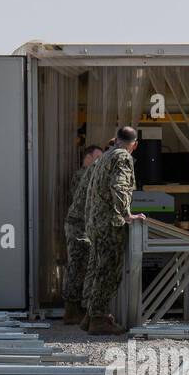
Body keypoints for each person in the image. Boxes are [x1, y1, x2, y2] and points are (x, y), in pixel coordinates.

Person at [82, 126, 143, 335]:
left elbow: (92, 191)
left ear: (116, 139)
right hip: (110, 224)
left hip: (97, 222)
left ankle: (91, 315)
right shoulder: (123, 158)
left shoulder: (105, 157)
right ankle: (98, 318)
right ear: (134, 145)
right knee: (109, 272)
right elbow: (119, 186)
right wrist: (127, 214)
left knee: (99, 269)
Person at [62, 144, 103, 324]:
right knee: (77, 266)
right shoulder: (83, 175)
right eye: (98, 157)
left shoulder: (88, 174)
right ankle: (72, 310)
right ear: (88, 158)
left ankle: (76, 308)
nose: (100, 161)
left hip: (83, 226)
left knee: (82, 266)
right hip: (79, 226)